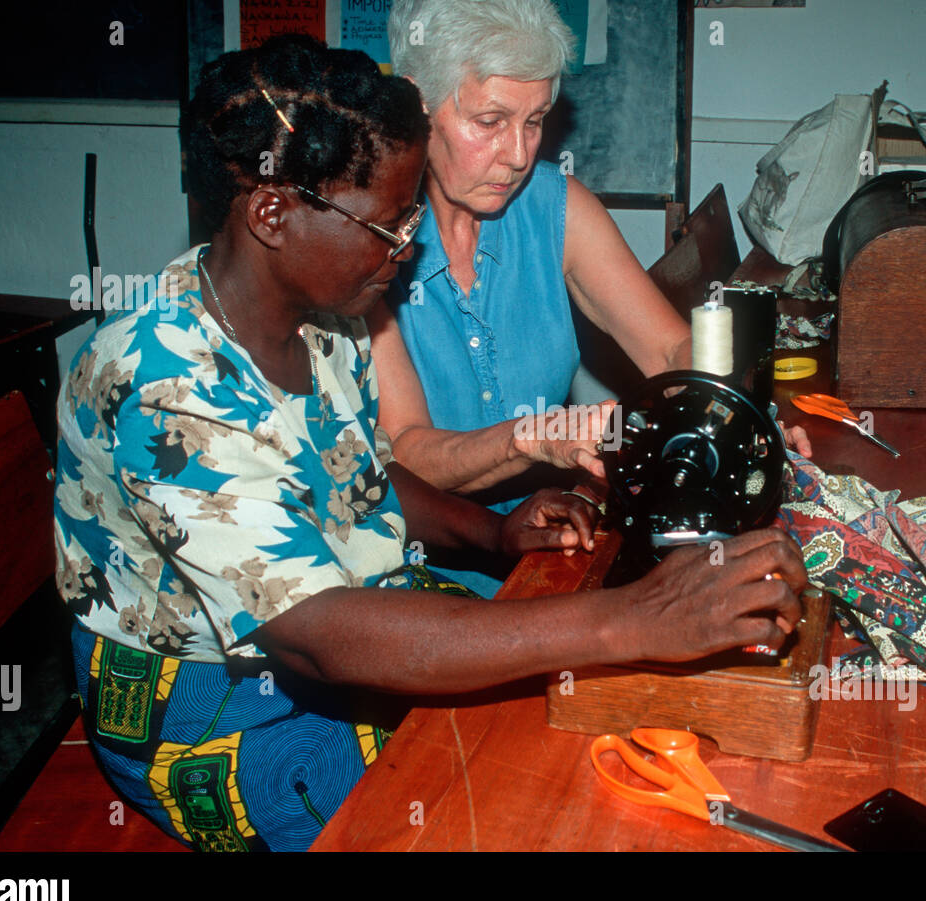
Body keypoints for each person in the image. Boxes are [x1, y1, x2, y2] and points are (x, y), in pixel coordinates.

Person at [52, 34, 806, 852]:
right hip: (220, 704)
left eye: (412, 215)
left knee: (570, 738)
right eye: (386, 223)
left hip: (344, 618)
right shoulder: (162, 383)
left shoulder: (325, 313)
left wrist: (488, 532)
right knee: (493, 815)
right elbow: (321, 634)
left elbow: (355, 474)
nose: (408, 245)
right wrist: (629, 621)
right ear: (273, 213)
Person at [369, 0, 810, 595]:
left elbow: (669, 347)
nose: (520, 154)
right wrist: (533, 437)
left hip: (553, 540)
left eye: (535, 120)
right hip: (417, 569)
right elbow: (407, 454)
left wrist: (743, 420)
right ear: (415, 102)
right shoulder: (365, 242)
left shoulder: (557, 208)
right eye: (490, 120)